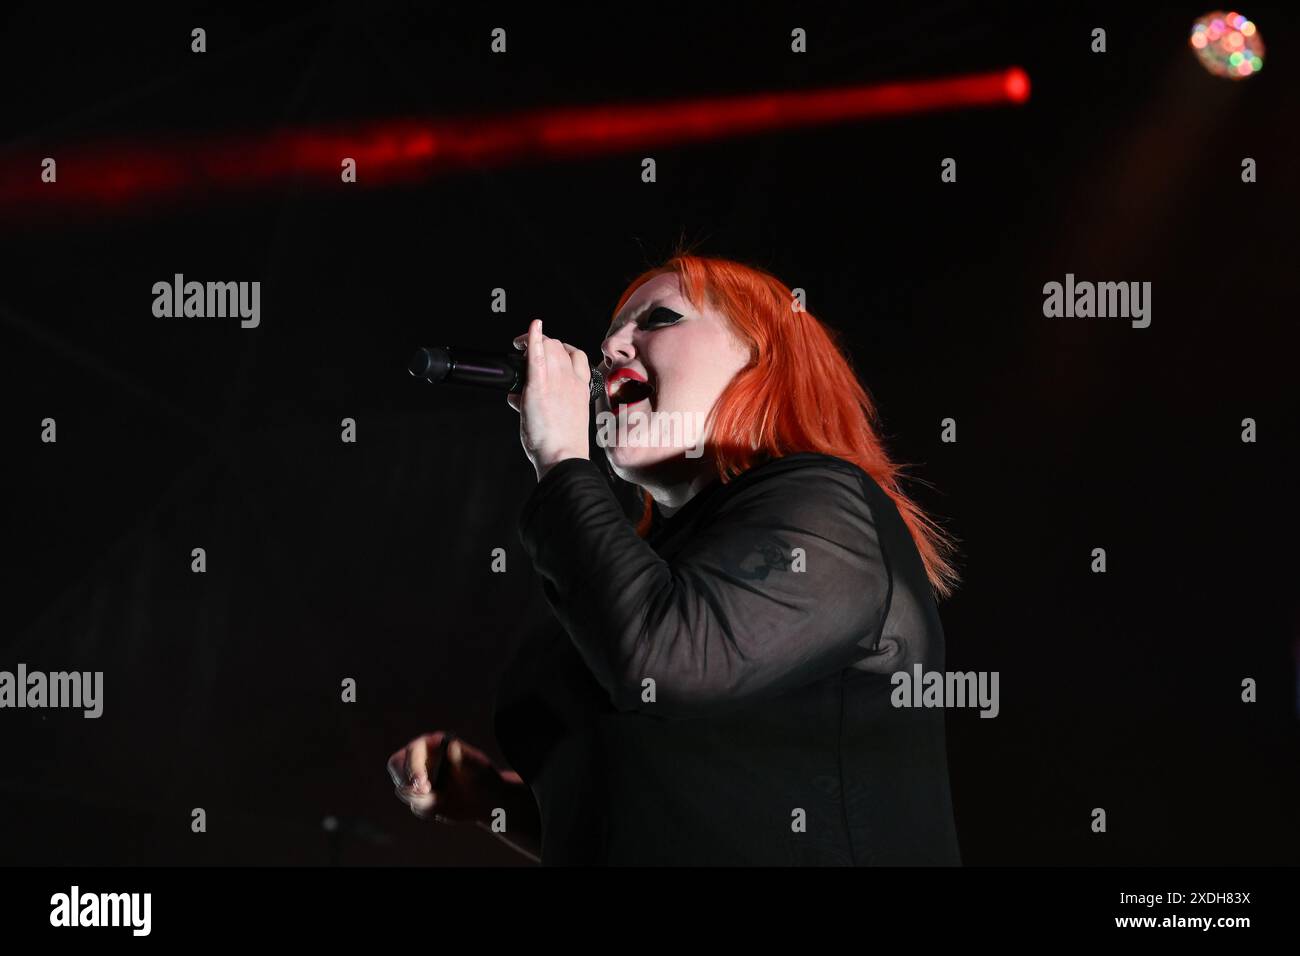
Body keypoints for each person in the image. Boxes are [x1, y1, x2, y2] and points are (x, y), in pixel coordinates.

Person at [389, 253, 963, 865]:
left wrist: (560, 456)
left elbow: (664, 661)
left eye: (660, 318)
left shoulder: (830, 505)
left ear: (761, 361)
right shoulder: (646, 567)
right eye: (611, 331)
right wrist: (491, 801)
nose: (609, 346)